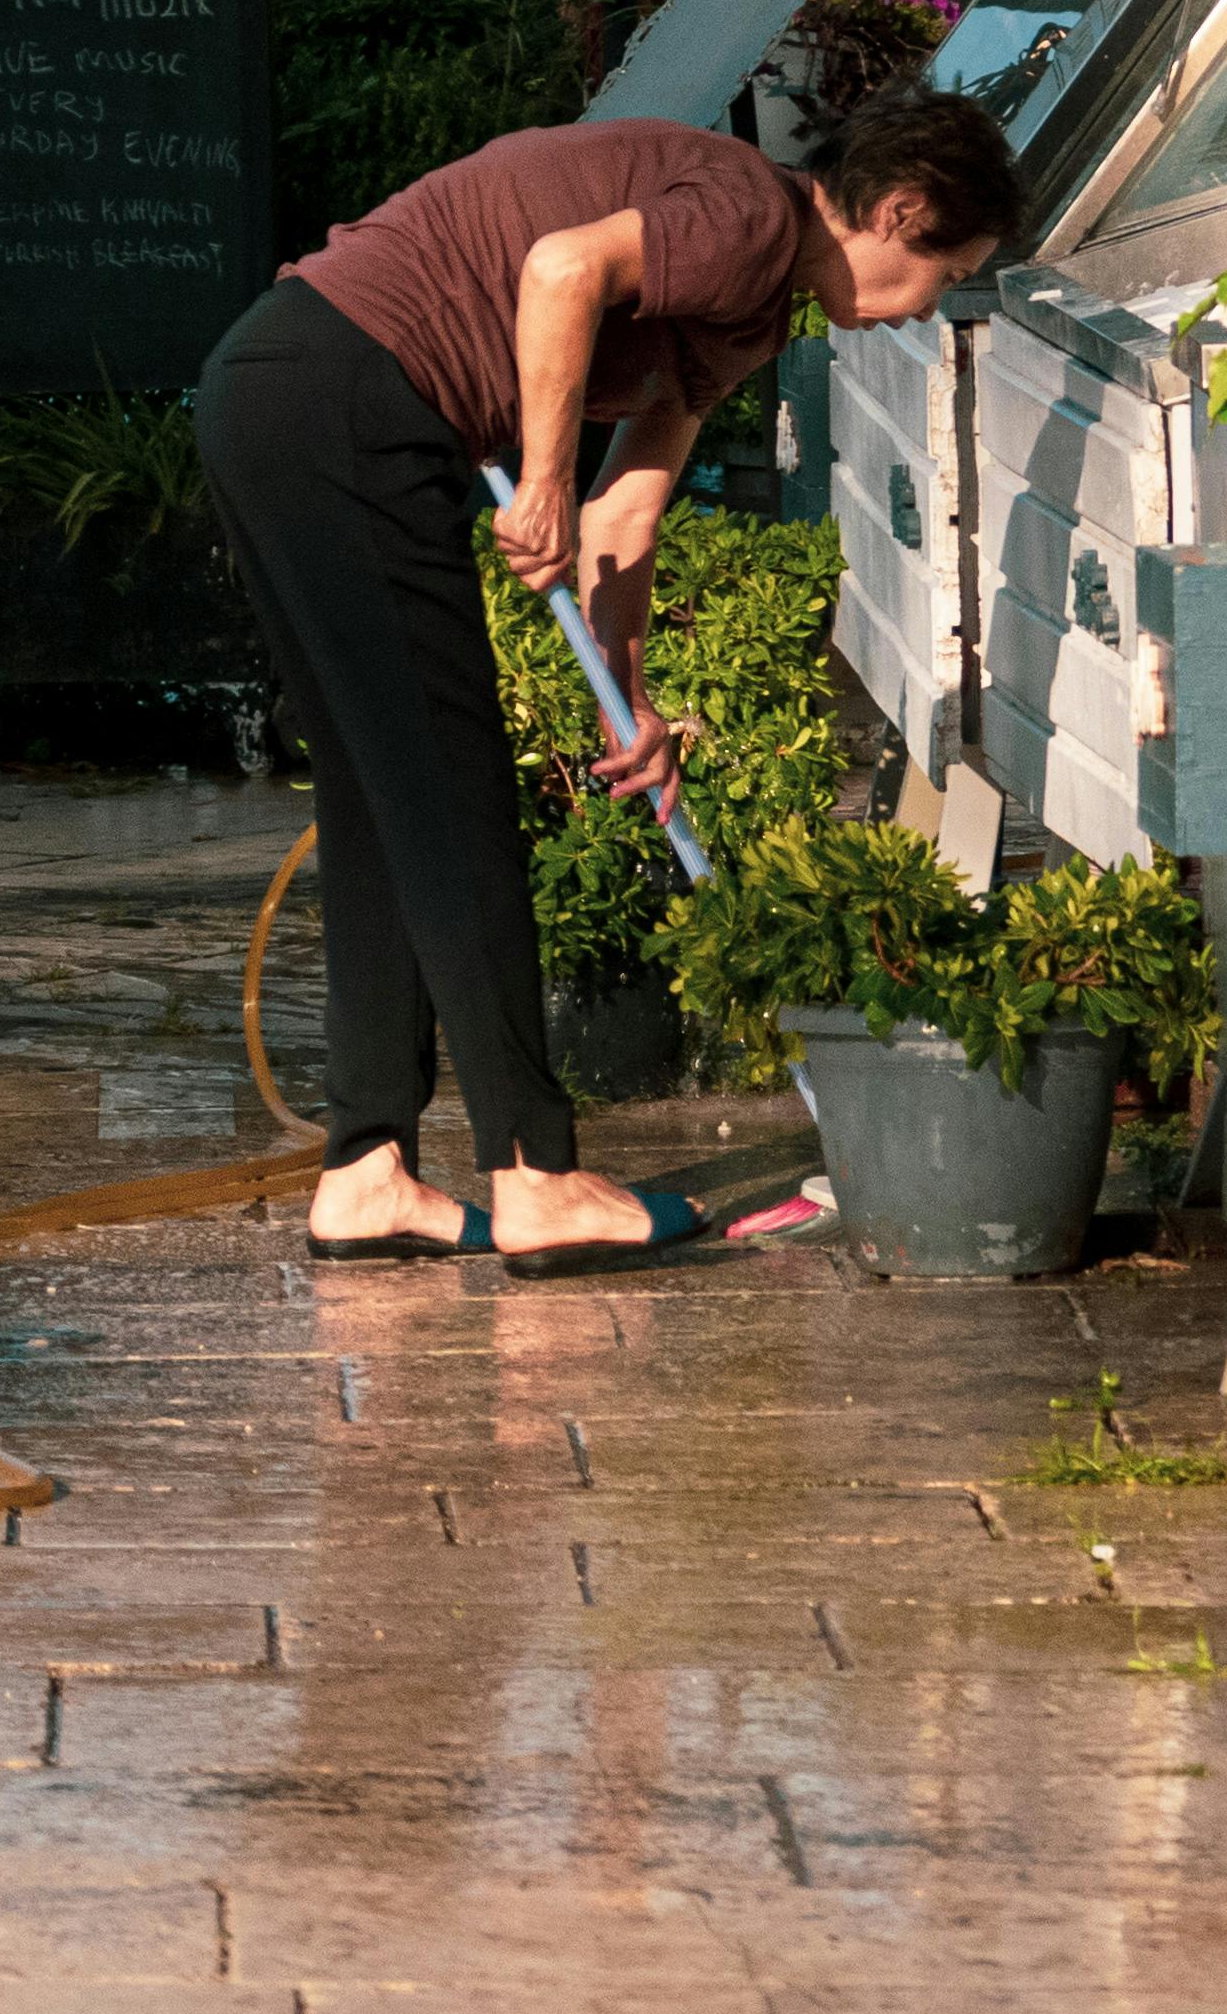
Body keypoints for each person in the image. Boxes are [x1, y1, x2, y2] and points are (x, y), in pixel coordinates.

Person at [195, 89, 1019, 1275]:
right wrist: (537, 473)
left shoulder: (750, 307)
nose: (926, 309)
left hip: (277, 390)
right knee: (455, 800)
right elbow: (561, 269)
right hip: (344, 402)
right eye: (946, 273)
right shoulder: (747, 212)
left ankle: (367, 1168)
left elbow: (622, 514)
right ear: (902, 210)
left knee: (386, 805)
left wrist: (621, 697)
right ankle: (535, 1173)